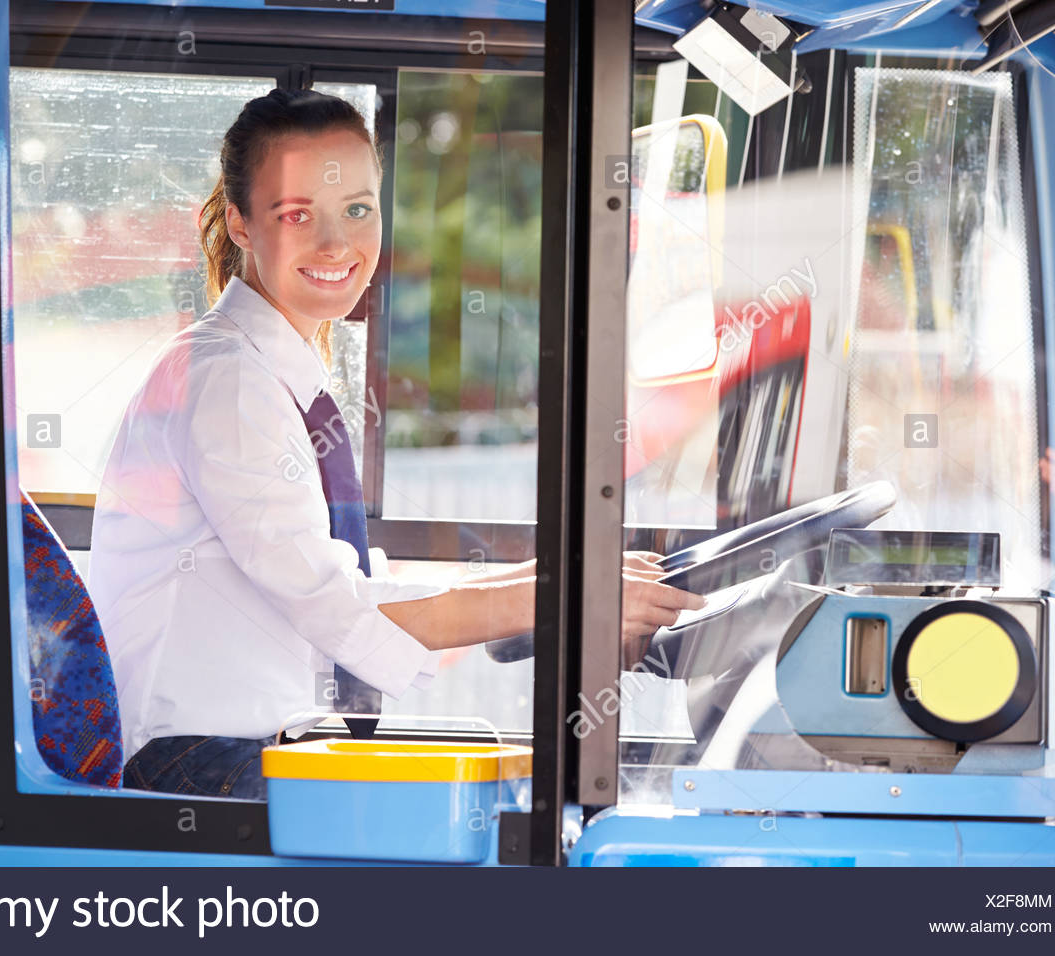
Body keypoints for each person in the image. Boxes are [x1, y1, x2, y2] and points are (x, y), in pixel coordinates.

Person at [86, 88, 704, 801]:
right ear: (242, 224)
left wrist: (563, 581)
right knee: (505, 825)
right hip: (197, 766)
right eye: (297, 215)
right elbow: (335, 603)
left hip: (261, 747)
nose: (335, 244)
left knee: (517, 796)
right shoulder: (229, 384)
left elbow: (345, 580)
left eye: (357, 209)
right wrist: (572, 599)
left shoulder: (273, 373)